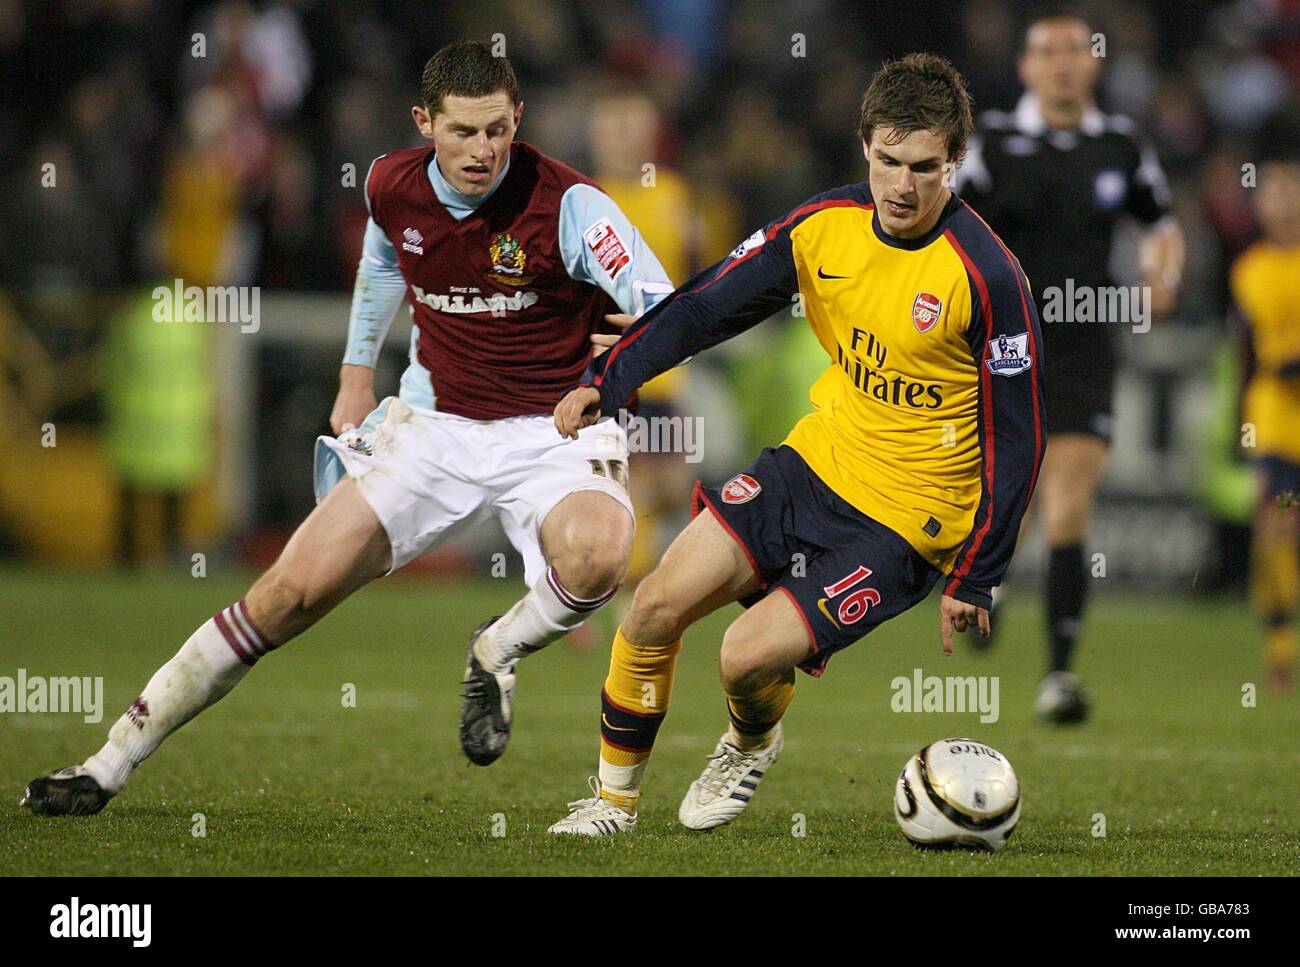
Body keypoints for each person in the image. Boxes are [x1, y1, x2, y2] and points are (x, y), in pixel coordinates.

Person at [22, 41, 673, 816]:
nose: (483, 150)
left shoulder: (568, 203)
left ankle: (495, 647)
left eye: (498, 129)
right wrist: (355, 375)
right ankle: (106, 763)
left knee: (600, 556)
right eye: (462, 132)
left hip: (552, 429)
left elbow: (665, 299)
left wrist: (613, 372)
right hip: (435, 424)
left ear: (518, 119)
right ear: (423, 122)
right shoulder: (390, 185)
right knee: (286, 593)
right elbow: (385, 257)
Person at [547, 53, 1045, 836]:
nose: (902, 186)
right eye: (887, 161)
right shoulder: (823, 228)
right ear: (865, 147)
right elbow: (707, 305)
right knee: (652, 607)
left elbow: (1019, 438)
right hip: (816, 462)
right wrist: (609, 374)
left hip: (909, 519)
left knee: (743, 657)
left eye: (923, 167)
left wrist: (978, 574)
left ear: (955, 161)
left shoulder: (987, 277)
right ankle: (610, 808)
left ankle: (750, 738)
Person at [955, 7, 1183, 723]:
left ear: (1094, 63)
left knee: (1070, 500)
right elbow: (940, 224)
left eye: (1074, 50)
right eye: (1046, 51)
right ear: (1024, 67)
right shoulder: (990, 142)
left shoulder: (1120, 145)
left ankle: (1058, 675)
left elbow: (1162, 225)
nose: (1061, 62)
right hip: (1004, 344)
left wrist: (1162, 274)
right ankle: (992, 578)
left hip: (1087, 342)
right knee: (1011, 498)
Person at [1230, 135, 1300, 692]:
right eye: (1273, 191)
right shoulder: (1249, 269)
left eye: (1291, 190)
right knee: (1277, 526)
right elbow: (1247, 354)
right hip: (1277, 421)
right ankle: (1281, 651)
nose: (1282, 201)